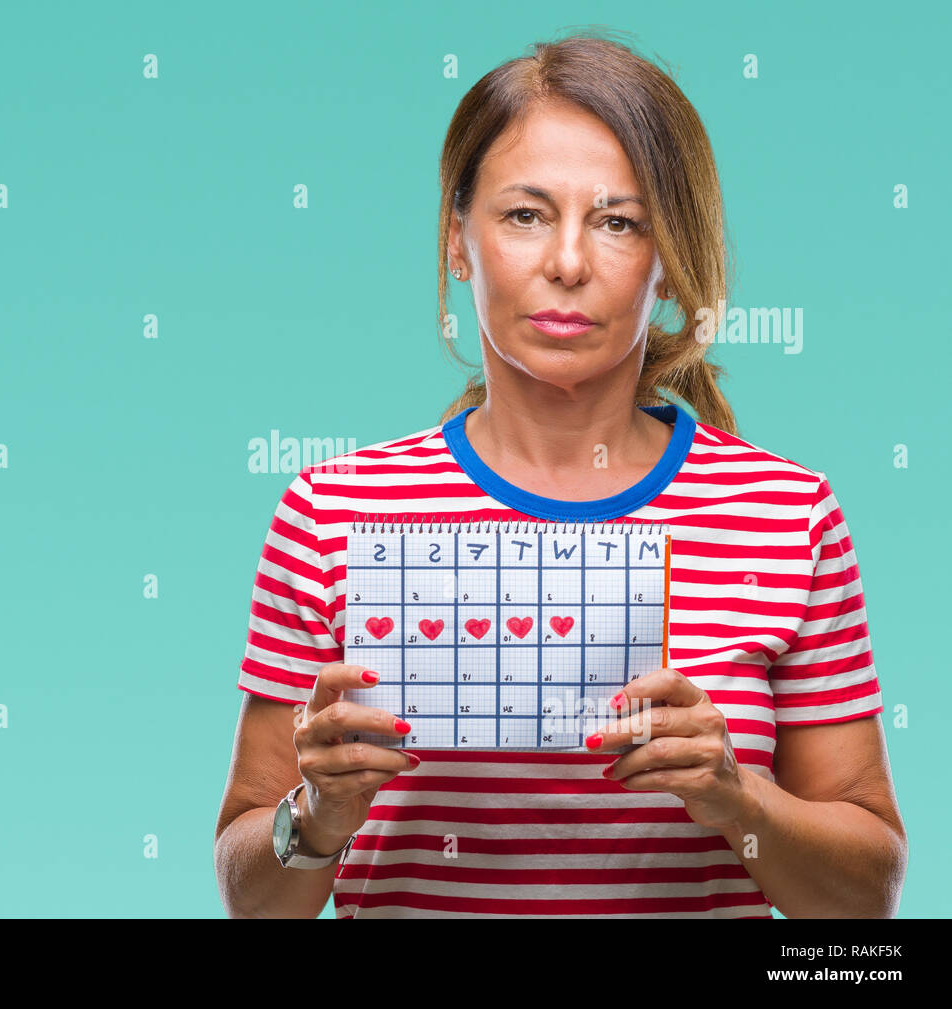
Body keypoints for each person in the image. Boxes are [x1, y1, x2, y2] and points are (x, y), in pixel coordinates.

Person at [213, 31, 906, 918]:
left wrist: (740, 798)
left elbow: (866, 901)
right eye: (525, 214)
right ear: (456, 240)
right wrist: (317, 815)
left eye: (619, 221)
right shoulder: (330, 512)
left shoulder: (786, 514)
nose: (569, 263)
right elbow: (249, 898)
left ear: (668, 266)